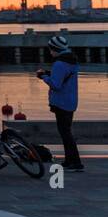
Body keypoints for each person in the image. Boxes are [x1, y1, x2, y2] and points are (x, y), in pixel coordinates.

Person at [38, 34, 82, 172]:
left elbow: (56, 85)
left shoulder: (59, 63)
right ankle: (70, 161)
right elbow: (63, 76)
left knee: (66, 134)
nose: (50, 52)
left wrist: (43, 76)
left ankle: (76, 163)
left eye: (51, 49)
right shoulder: (71, 61)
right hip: (71, 101)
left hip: (61, 103)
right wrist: (49, 73)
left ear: (56, 49)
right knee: (66, 132)